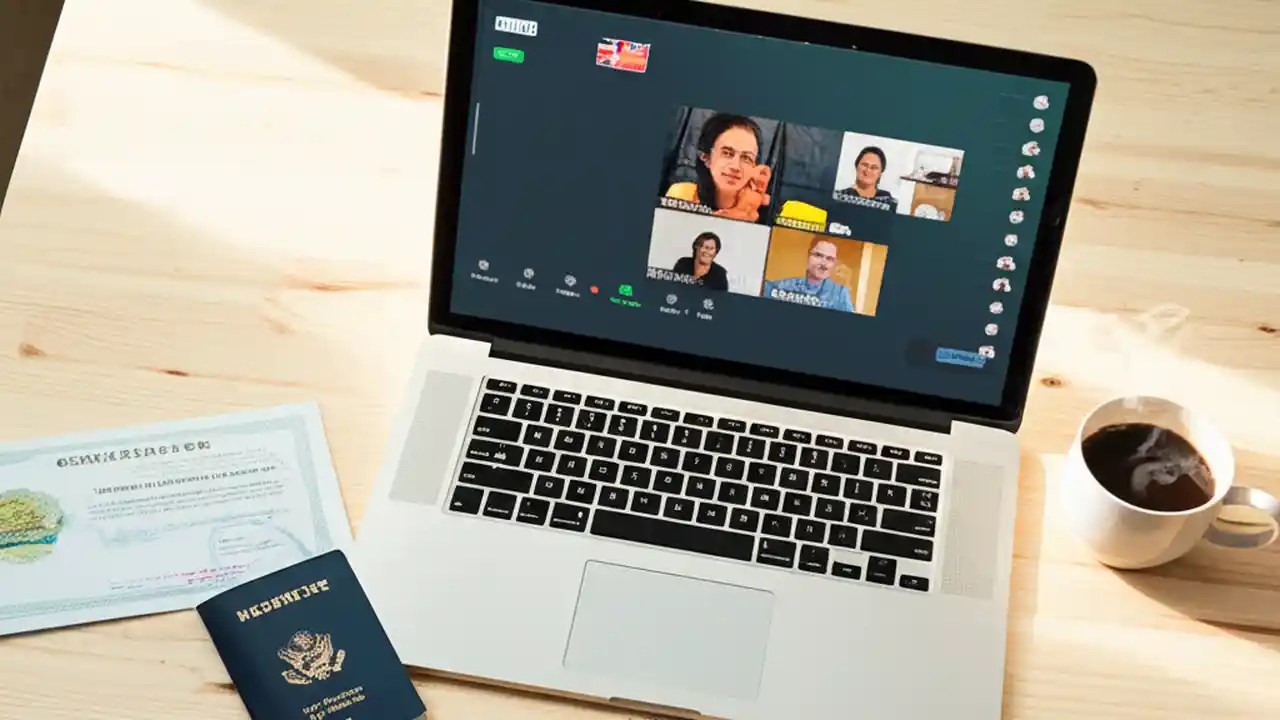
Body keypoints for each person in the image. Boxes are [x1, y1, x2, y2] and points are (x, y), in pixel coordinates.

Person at [666, 114, 771, 221]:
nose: (735, 166)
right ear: (706, 158)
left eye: (746, 158)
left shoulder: (764, 209)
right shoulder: (683, 195)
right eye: (727, 153)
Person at [762, 236, 855, 313]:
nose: (823, 263)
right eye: (818, 255)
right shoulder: (782, 286)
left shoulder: (841, 294)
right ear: (808, 256)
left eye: (829, 259)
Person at [841, 146, 897, 211]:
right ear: (857, 166)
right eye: (864, 165)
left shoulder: (889, 202)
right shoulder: (840, 196)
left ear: (880, 173)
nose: (868, 171)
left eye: (874, 167)